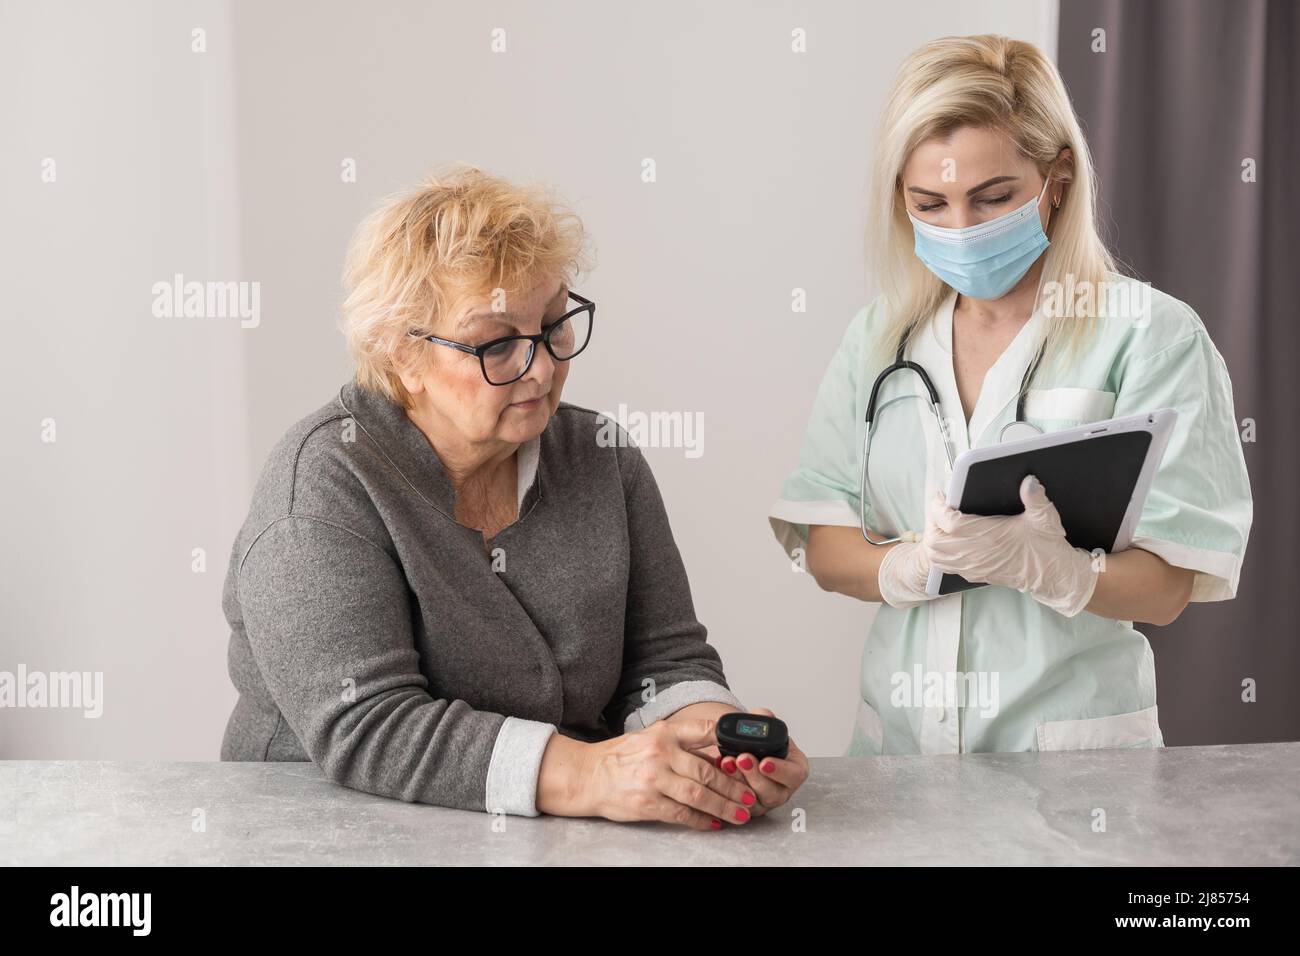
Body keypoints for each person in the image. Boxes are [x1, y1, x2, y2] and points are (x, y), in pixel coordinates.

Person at [222, 164, 808, 827]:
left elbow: (664, 657)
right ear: (399, 355)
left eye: (555, 325)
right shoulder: (324, 481)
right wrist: (589, 773)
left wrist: (712, 741)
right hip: (326, 837)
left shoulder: (601, 457)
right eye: (497, 343)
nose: (544, 367)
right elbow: (369, 724)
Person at [768, 35, 1252, 754]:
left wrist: (1059, 571)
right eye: (928, 202)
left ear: (1057, 179)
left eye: (993, 198)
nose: (959, 229)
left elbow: (1170, 584)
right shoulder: (878, 339)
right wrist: (910, 567)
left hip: (1074, 769)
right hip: (898, 756)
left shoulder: (1152, 334)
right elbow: (825, 542)